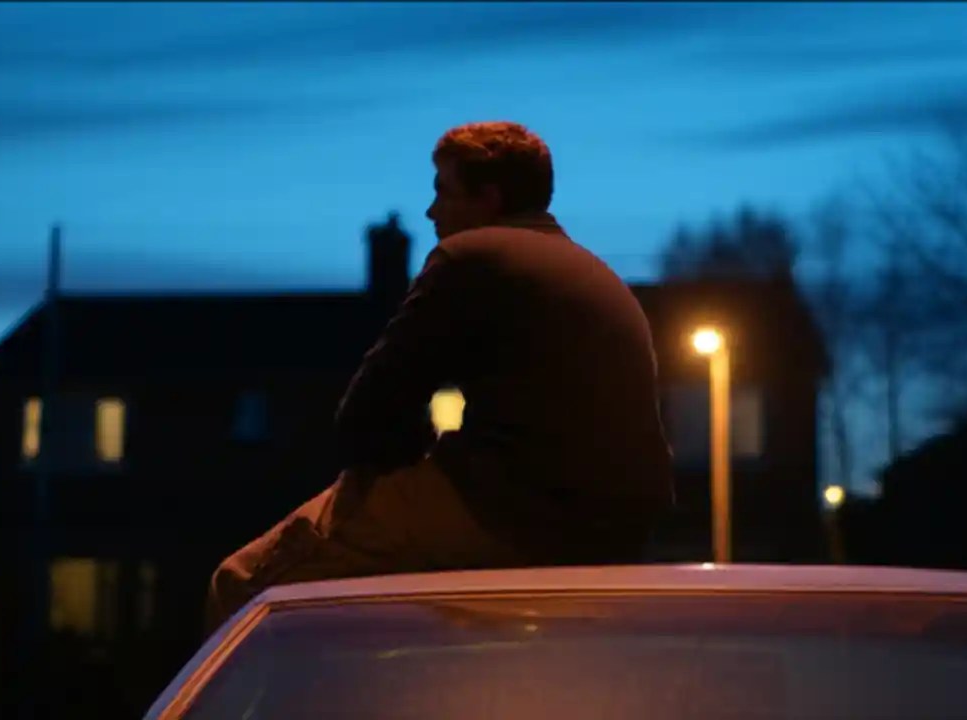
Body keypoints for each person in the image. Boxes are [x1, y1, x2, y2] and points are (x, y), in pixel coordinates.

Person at [205, 121, 674, 631]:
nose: (431, 212)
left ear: (488, 198)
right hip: (614, 533)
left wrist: (397, 465)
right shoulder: (596, 274)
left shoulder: (470, 256)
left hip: (504, 514)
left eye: (442, 192)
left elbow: (369, 414)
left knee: (243, 586)